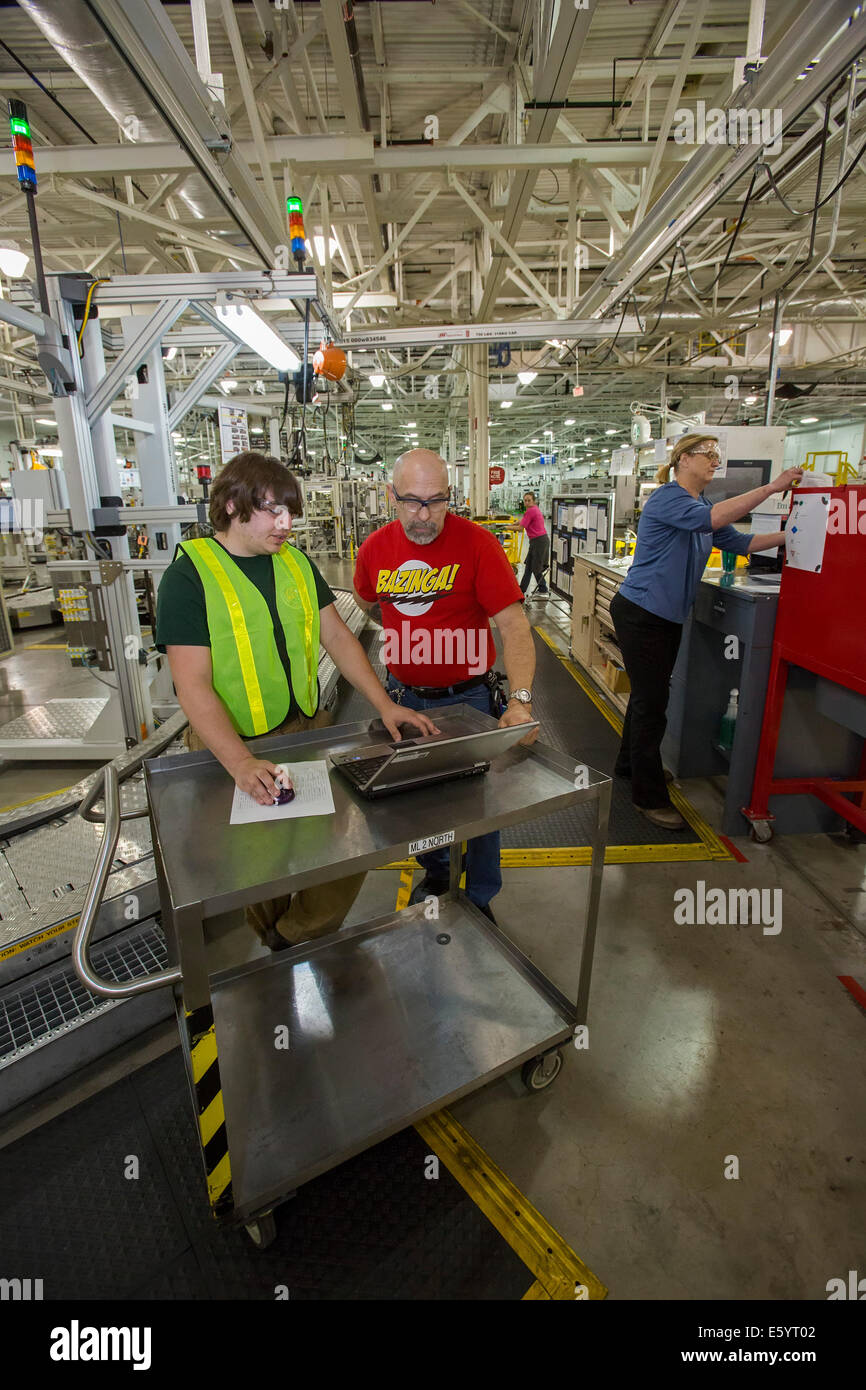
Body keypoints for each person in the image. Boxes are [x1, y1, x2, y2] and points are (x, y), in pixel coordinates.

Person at [154, 451, 435, 951]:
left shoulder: (295, 562)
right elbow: (191, 683)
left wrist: (384, 704)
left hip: (308, 729)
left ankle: (293, 939)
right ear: (233, 507)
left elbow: (339, 639)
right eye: (272, 510)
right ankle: (273, 943)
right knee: (260, 864)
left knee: (344, 842)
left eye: (290, 511)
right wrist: (240, 761)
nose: (287, 524)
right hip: (236, 745)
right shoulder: (189, 576)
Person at [352, 449, 538, 923]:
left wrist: (519, 700)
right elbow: (368, 600)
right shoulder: (375, 549)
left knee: (478, 807)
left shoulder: (477, 545)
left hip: (469, 699)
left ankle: (478, 897)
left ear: (449, 497)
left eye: (436, 502)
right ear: (390, 496)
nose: (424, 515)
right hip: (403, 700)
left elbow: (514, 626)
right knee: (418, 804)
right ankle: (437, 872)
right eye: (412, 501)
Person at [610, 434, 803, 829]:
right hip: (642, 613)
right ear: (683, 459)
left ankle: (629, 766)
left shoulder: (701, 504)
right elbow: (712, 522)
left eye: (718, 455)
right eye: (708, 454)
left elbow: (742, 541)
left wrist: (795, 536)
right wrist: (772, 487)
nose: (716, 461)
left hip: (663, 617)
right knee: (652, 705)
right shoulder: (668, 498)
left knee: (648, 697)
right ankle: (647, 797)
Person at [517, 490, 550, 596]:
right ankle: (522, 590)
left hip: (539, 542)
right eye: (525, 500)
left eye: (529, 500)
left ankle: (543, 589)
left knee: (535, 567)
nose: (526, 502)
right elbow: (523, 521)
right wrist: (515, 522)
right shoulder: (533, 510)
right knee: (529, 567)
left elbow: (521, 528)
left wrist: (505, 527)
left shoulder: (531, 510)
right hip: (537, 541)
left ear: (534, 501)